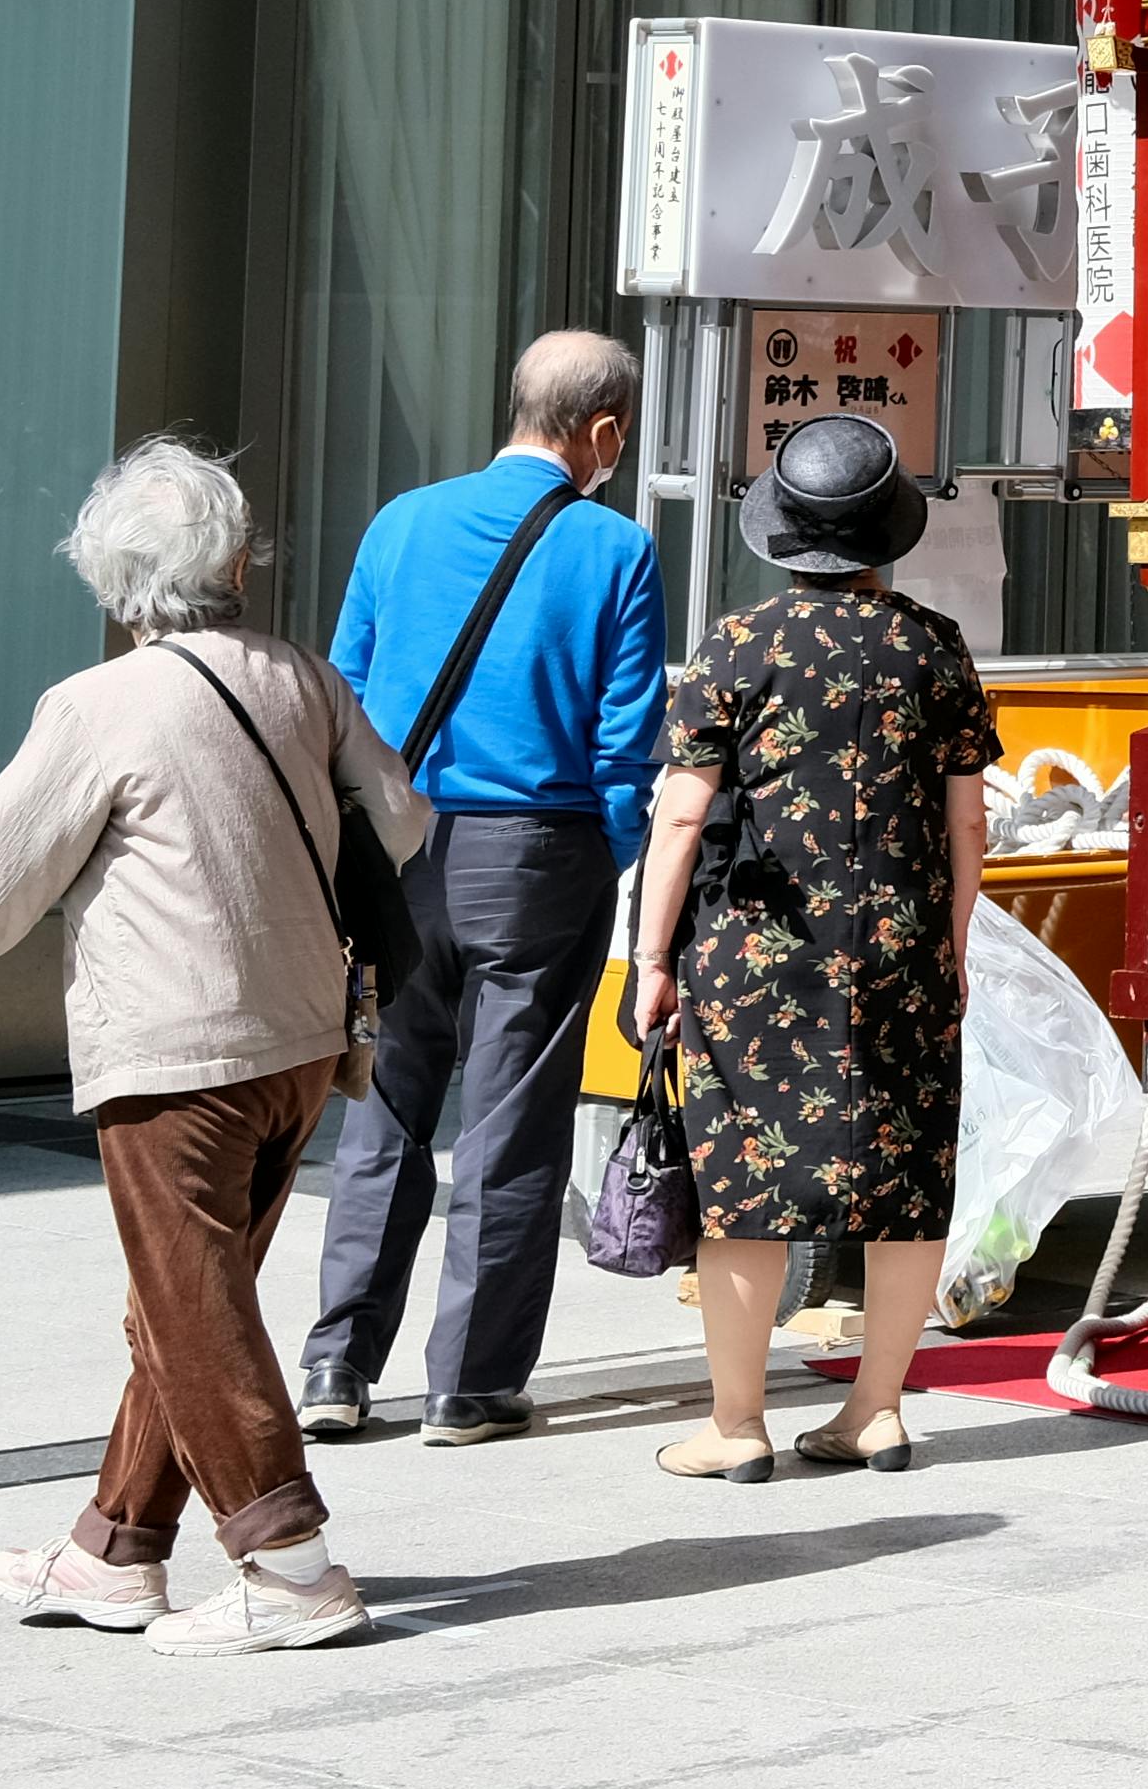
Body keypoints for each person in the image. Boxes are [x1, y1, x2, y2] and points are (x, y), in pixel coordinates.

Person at [0, 441, 431, 1652]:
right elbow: (405, 812)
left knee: (194, 1307)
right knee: (186, 1301)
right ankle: (114, 1548)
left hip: (176, 1050)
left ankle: (289, 1562)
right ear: (235, 558)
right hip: (305, 1040)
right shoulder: (301, 677)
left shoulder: (99, 703)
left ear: (113, 580)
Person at [298, 331, 665, 1445]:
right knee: (513, 1119)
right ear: (602, 433)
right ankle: (468, 1383)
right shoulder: (616, 547)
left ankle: (335, 1367)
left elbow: (343, 691)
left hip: (400, 844)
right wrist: (603, 847)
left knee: (386, 1103)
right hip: (540, 849)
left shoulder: (398, 522)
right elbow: (625, 733)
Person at [635, 411, 1004, 1480]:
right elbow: (967, 819)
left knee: (744, 1178)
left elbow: (679, 814)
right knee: (908, 1169)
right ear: (884, 533)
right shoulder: (934, 645)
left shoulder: (739, 645)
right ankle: (877, 1408)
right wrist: (956, 939)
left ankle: (738, 1425)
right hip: (902, 949)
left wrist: (654, 957)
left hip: (757, 950)